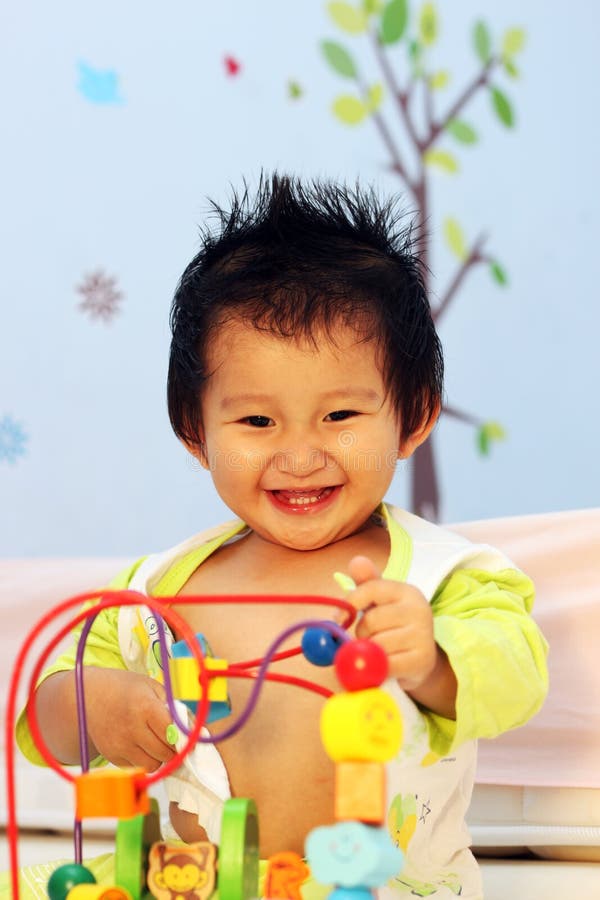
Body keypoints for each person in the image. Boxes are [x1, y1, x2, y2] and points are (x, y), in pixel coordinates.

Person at [16, 174, 548, 899]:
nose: (300, 457)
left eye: (339, 417)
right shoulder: (157, 592)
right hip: (189, 885)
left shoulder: (442, 578)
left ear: (415, 415)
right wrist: (89, 700)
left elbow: (518, 675)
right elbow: (45, 721)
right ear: (194, 431)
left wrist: (432, 658)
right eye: (258, 422)